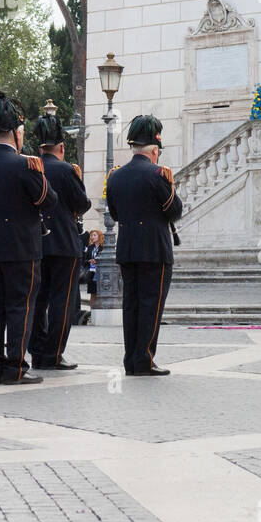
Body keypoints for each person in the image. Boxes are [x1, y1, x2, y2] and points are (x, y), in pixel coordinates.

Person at [0, 93, 55, 384]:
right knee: (20, 307)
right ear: (16, 132)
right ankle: (15, 367)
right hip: (22, 247)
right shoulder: (24, 165)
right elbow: (48, 200)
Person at [105, 114, 183, 375]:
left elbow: (114, 214)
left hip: (127, 249)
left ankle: (131, 359)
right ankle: (144, 360)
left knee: (132, 305)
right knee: (151, 306)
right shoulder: (158, 174)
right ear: (154, 150)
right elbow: (174, 210)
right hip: (154, 250)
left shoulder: (115, 177)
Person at [29, 113, 92, 370]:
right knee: (62, 301)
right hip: (65, 244)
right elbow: (83, 204)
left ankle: (37, 351)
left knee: (37, 299)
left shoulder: (31, 167)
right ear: (62, 147)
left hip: (36, 243)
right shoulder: (66, 170)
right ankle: (54, 354)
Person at [84, 230, 103, 296]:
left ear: (99, 236)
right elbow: (84, 259)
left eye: (94, 235)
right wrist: (89, 261)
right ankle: (92, 307)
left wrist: (97, 261)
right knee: (93, 294)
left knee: (100, 294)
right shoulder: (90, 247)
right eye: (91, 235)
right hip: (91, 273)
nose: (92, 237)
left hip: (100, 273)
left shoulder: (103, 247)